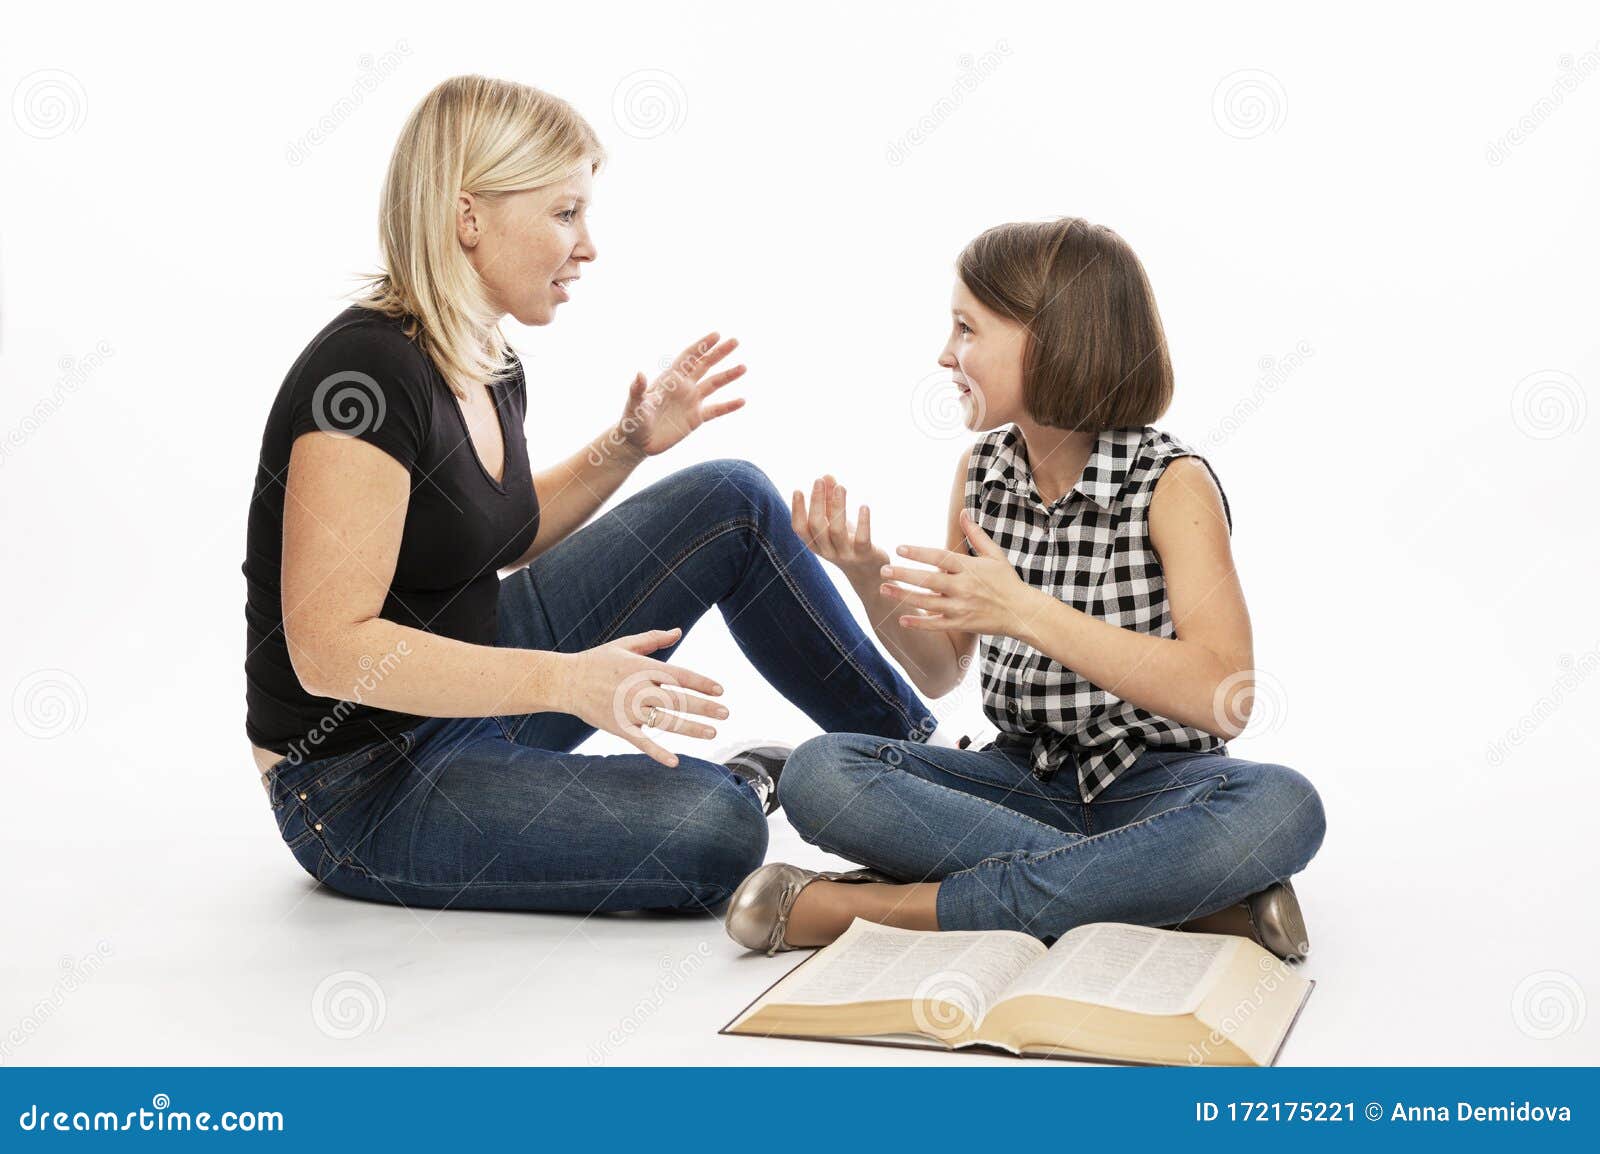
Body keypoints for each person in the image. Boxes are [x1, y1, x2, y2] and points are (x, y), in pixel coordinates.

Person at [242, 74, 937, 917]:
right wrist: (566, 682)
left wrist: (631, 441)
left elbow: (500, 531)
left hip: (483, 681)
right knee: (717, 828)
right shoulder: (363, 379)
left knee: (733, 498)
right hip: (368, 782)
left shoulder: (485, 359)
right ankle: (750, 787)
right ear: (469, 218)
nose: (589, 247)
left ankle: (932, 775)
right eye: (564, 213)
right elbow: (328, 652)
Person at [725, 218, 1327, 959]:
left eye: (967, 329)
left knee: (1283, 807)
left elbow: (1224, 698)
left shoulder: (1172, 483)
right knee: (820, 772)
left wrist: (1028, 611)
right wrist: (862, 571)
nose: (946, 355)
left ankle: (883, 909)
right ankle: (1173, 902)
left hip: (1157, 788)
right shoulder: (981, 473)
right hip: (1021, 779)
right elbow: (942, 668)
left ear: (1049, 339)